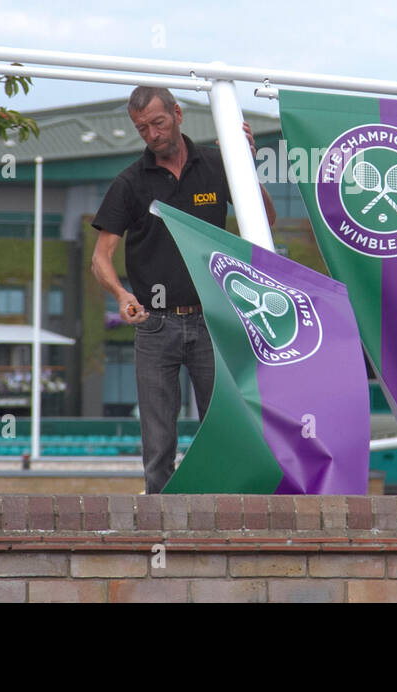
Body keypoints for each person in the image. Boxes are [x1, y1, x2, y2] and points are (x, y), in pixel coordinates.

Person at [91, 86, 276, 493]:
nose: (152, 135)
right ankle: (161, 527)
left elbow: (265, 220)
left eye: (158, 123)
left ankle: (226, 511)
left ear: (177, 113)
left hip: (213, 319)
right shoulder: (130, 183)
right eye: (142, 129)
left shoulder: (215, 165)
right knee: (158, 442)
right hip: (155, 327)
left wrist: (244, 166)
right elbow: (100, 257)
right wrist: (122, 296)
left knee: (225, 426)